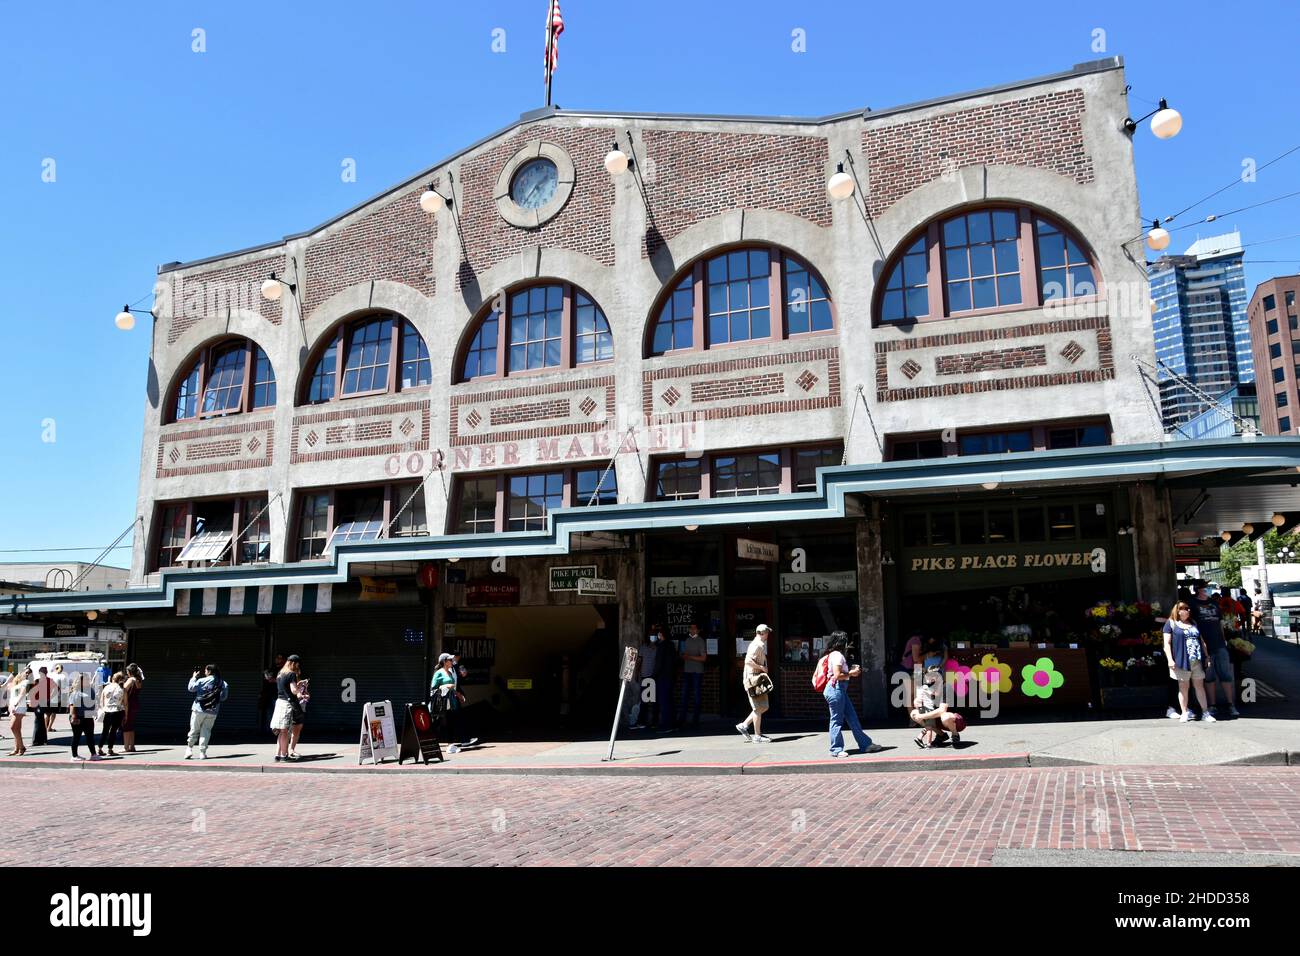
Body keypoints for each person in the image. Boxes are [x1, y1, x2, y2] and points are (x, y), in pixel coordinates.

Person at [822, 632, 883, 757]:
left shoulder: (833, 655)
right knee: (836, 720)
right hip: (836, 690)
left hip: (839, 691)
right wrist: (852, 673)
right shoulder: (837, 655)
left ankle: (865, 744)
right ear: (841, 642)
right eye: (846, 641)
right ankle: (836, 749)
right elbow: (838, 675)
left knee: (852, 718)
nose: (847, 644)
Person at [1192, 581, 1239, 718]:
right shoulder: (1193, 603)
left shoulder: (1214, 603)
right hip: (1204, 646)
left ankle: (1231, 705)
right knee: (1209, 677)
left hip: (1219, 644)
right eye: (1204, 587)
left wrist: (1224, 640)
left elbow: (1219, 623)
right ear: (1198, 589)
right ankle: (1212, 706)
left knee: (1226, 675)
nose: (1207, 589)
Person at [1163, 601, 1214, 723]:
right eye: (1184, 608)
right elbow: (1167, 643)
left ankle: (1205, 712)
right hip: (1181, 661)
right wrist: (1170, 659)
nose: (1188, 610)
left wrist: (1207, 656)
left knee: (1199, 686)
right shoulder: (1171, 623)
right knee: (1183, 687)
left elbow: (1202, 641)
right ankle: (1184, 712)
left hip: (1196, 660)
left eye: (1188, 608)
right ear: (1178, 610)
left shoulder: (1193, 623)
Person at [910, 664, 966, 748]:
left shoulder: (946, 687)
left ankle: (955, 735)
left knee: (945, 716)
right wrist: (917, 702)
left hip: (955, 721)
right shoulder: (928, 688)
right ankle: (942, 735)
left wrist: (922, 716)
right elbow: (922, 706)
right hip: (937, 720)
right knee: (914, 713)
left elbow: (942, 711)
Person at [736, 624, 772, 743]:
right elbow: (747, 661)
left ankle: (744, 725)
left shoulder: (759, 644)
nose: (767, 635)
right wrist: (762, 667)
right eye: (766, 632)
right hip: (752, 679)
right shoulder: (757, 645)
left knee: (764, 706)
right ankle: (757, 736)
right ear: (761, 633)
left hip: (756, 678)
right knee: (758, 707)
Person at [185, 665, 229, 759]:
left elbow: (191, 688)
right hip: (213, 711)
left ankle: (189, 749)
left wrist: (193, 677)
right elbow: (223, 697)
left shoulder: (201, 680)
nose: (204, 672)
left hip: (198, 709)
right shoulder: (223, 683)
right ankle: (202, 753)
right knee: (206, 731)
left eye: (205, 670)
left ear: (209, 671)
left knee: (194, 729)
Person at [431, 653, 466, 754]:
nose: (452, 661)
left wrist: (459, 695)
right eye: (450, 660)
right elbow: (433, 689)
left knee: (451, 722)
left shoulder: (450, 673)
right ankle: (427, 742)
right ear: (444, 662)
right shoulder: (439, 673)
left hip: (450, 701)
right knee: (437, 722)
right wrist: (445, 686)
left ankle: (450, 745)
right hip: (441, 702)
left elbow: (453, 688)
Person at [270, 656, 302, 761]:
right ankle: (284, 756)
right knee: (284, 731)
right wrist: (300, 689)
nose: (298, 666)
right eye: (297, 664)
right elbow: (293, 690)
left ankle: (277, 755)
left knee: (280, 731)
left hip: (279, 702)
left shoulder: (280, 673)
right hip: (287, 704)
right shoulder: (291, 674)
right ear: (294, 663)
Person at [678, 623, 706, 729]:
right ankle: (682, 718)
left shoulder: (701, 641)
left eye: (694, 628)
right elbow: (682, 655)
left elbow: (703, 658)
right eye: (690, 628)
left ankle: (695, 719)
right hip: (687, 670)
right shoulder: (686, 640)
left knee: (696, 695)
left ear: (698, 630)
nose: (692, 630)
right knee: (684, 695)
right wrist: (683, 656)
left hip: (697, 672)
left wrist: (689, 657)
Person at [66, 671, 98, 762]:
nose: (88, 681)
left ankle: (94, 754)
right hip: (78, 716)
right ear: (80, 681)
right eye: (86, 679)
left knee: (90, 736)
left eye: (88, 679)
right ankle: (74, 756)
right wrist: (74, 717)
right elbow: (73, 705)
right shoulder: (76, 692)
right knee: (77, 736)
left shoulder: (91, 690)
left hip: (88, 716)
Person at [629, 631, 657, 730]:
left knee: (652, 701)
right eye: (651, 636)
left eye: (654, 636)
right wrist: (636, 673)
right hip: (645, 676)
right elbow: (639, 661)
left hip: (653, 676)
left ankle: (652, 722)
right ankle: (642, 721)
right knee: (645, 700)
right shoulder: (643, 647)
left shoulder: (658, 648)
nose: (653, 637)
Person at [652, 624, 676, 732]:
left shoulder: (661, 646)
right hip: (671, 676)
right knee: (670, 700)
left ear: (661, 634)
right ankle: (672, 723)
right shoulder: (671, 645)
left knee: (664, 701)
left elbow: (659, 663)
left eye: (659, 633)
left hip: (662, 676)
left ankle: (666, 725)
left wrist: (654, 674)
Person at [97, 672, 128, 756]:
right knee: (113, 731)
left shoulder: (106, 687)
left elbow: (101, 700)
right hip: (117, 711)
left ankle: (99, 748)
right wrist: (126, 714)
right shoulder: (122, 688)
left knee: (105, 731)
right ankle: (110, 749)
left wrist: (103, 708)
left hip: (107, 711)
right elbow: (125, 703)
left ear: (113, 678)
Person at [6, 666, 34, 756]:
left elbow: (22, 694)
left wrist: (15, 704)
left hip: (19, 707)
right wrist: (10, 705)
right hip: (14, 706)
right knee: (16, 729)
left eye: (29, 673)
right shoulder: (17, 681)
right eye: (26, 672)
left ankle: (21, 747)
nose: (27, 674)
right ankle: (17, 749)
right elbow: (12, 694)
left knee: (13, 727)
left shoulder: (26, 682)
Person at [121, 663, 145, 752]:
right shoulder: (139, 680)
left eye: (127, 671)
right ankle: (132, 746)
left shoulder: (131, 679)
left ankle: (126, 747)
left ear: (130, 672)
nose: (126, 673)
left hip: (129, 704)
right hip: (135, 703)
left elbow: (123, 689)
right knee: (131, 725)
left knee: (126, 724)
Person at [30, 666, 52, 746]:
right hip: (43, 702)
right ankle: (43, 740)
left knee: (37, 721)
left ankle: (36, 741)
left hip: (39, 703)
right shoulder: (49, 680)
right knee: (41, 720)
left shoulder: (38, 681)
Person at [48, 663, 68, 734]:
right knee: (53, 713)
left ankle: (45, 727)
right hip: (55, 697)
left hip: (47, 696)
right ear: (62, 669)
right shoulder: (62, 676)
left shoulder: (50, 674)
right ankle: (49, 727)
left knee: (47, 713)